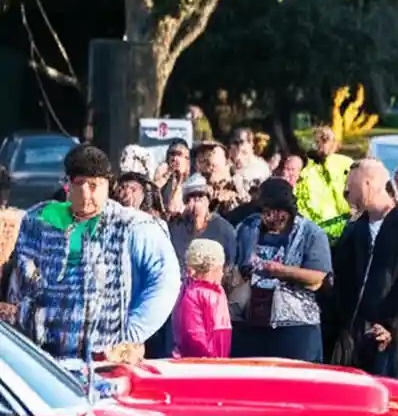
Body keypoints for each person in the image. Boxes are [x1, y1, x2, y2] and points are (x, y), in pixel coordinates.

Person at [6, 144, 180, 370]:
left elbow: (166, 279)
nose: (86, 194)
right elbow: (20, 276)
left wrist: (130, 334)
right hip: (40, 361)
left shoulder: (132, 225)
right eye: (79, 184)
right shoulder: (39, 219)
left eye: (94, 185)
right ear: (68, 184)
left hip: (102, 362)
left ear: (108, 185)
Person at [332, 160, 398, 379]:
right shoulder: (355, 230)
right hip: (358, 335)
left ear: (369, 185)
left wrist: (393, 326)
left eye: (352, 184)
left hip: (396, 339)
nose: (347, 191)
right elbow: (342, 277)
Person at [231, 178, 332, 362]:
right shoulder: (246, 228)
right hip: (249, 323)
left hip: (295, 327)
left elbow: (318, 277)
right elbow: (234, 265)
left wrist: (282, 271)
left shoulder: (312, 233)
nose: (272, 218)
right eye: (266, 212)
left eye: (278, 213)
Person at [172, 239, 232, 358]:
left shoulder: (211, 292)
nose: (222, 273)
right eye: (220, 267)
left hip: (213, 363)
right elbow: (193, 336)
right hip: (202, 365)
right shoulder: (195, 294)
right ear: (212, 267)